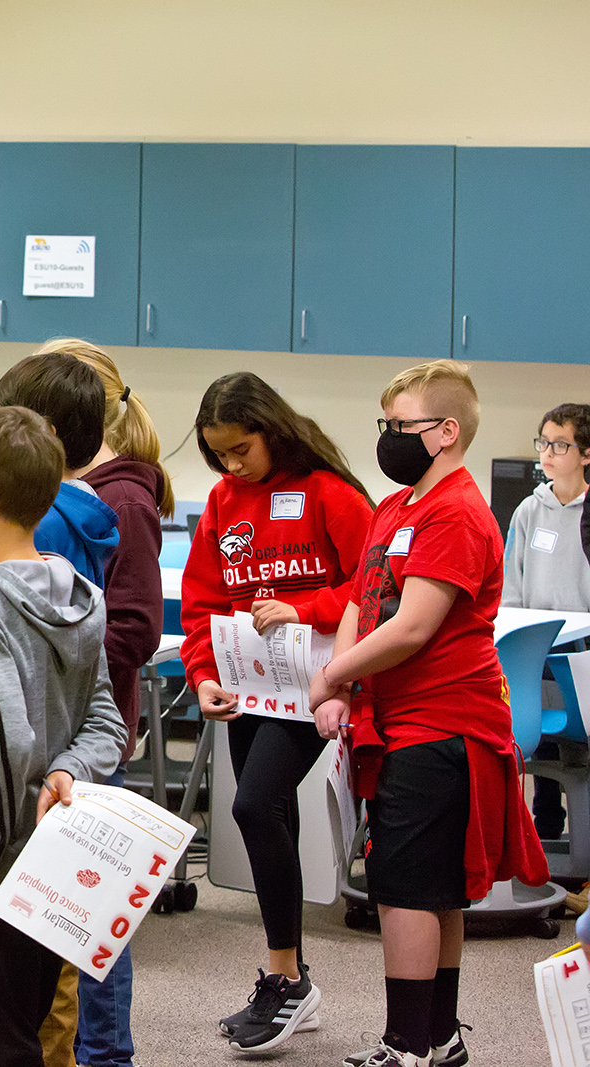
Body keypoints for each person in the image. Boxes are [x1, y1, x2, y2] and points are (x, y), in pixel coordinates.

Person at [312, 360, 550, 1067]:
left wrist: (331, 675)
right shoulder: (396, 507)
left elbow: (413, 626)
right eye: (384, 423)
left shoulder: (456, 511)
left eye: (400, 424)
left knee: (409, 893)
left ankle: (406, 1044)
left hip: (444, 724)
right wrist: (346, 687)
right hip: (401, 720)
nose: (387, 435)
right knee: (431, 889)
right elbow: (361, 602)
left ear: (446, 432)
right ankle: (439, 1039)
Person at [180, 371, 374, 1054]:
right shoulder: (222, 500)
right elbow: (203, 601)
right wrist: (202, 675)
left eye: (241, 450)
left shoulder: (329, 492)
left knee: (253, 805)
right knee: (271, 813)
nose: (231, 465)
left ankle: (285, 976)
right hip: (248, 686)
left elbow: (372, 585)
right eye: (219, 455)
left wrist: (305, 607)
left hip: (314, 683)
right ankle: (293, 978)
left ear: (272, 429)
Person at [0, 405, 127, 1067]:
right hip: (51, 862)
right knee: (27, 1033)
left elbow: (1, 744)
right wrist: (70, 768)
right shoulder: (83, 594)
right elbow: (107, 724)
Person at [2, 342, 171, 1067]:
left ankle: (107, 1055)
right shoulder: (68, 500)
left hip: (85, 739)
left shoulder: (116, 501)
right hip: (59, 735)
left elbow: (132, 628)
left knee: (91, 921)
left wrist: (65, 664)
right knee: (61, 916)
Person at [502, 403, 590, 840]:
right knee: (540, 743)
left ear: (586, 453)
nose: (547, 453)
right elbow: (511, 585)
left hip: (581, 649)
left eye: (560, 445)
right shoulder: (528, 511)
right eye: (544, 443)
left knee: (578, 750)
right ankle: (547, 830)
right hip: (534, 650)